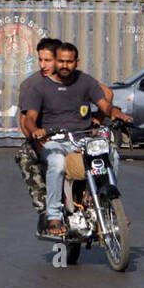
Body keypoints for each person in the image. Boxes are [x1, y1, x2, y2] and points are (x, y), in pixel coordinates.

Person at [21, 42, 130, 238]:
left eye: (69, 62)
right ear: (56, 61)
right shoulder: (39, 87)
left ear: (76, 62)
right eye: (61, 61)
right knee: (56, 163)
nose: (64, 65)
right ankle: (53, 215)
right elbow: (28, 118)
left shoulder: (85, 82)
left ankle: (108, 206)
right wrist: (35, 130)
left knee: (111, 153)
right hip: (56, 141)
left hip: (83, 138)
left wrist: (114, 112)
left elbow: (104, 103)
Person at [15, 38, 62, 230]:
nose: (43, 65)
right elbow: (25, 121)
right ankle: (44, 209)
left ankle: (109, 206)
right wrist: (37, 141)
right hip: (43, 138)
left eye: (47, 60)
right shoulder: (31, 85)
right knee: (25, 157)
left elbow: (105, 96)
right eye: (40, 60)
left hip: (74, 137)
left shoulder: (76, 80)